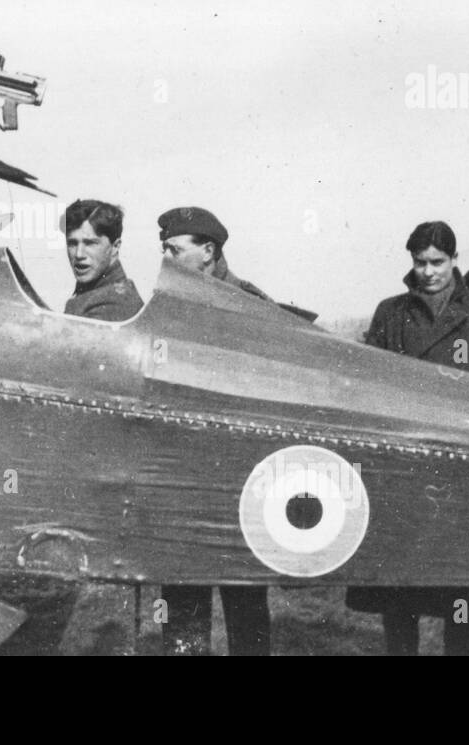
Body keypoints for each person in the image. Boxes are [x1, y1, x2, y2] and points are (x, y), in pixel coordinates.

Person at [346, 220, 469, 655]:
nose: (428, 272)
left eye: (437, 262)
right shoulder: (390, 313)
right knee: (398, 591)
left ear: (455, 260)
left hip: (464, 477)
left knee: (460, 593)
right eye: (420, 262)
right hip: (404, 474)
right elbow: (369, 388)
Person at [155, 206, 271, 656]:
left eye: (174, 249)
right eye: (164, 249)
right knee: (181, 605)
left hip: (240, 480)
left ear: (208, 251)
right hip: (183, 476)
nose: (166, 258)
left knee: (246, 606)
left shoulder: (250, 304)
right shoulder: (169, 304)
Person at [62, 199, 144, 321]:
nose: (79, 254)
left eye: (90, 243)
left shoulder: (112, 306)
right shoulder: (96, 293)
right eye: (72, 243)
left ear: (115, 247)